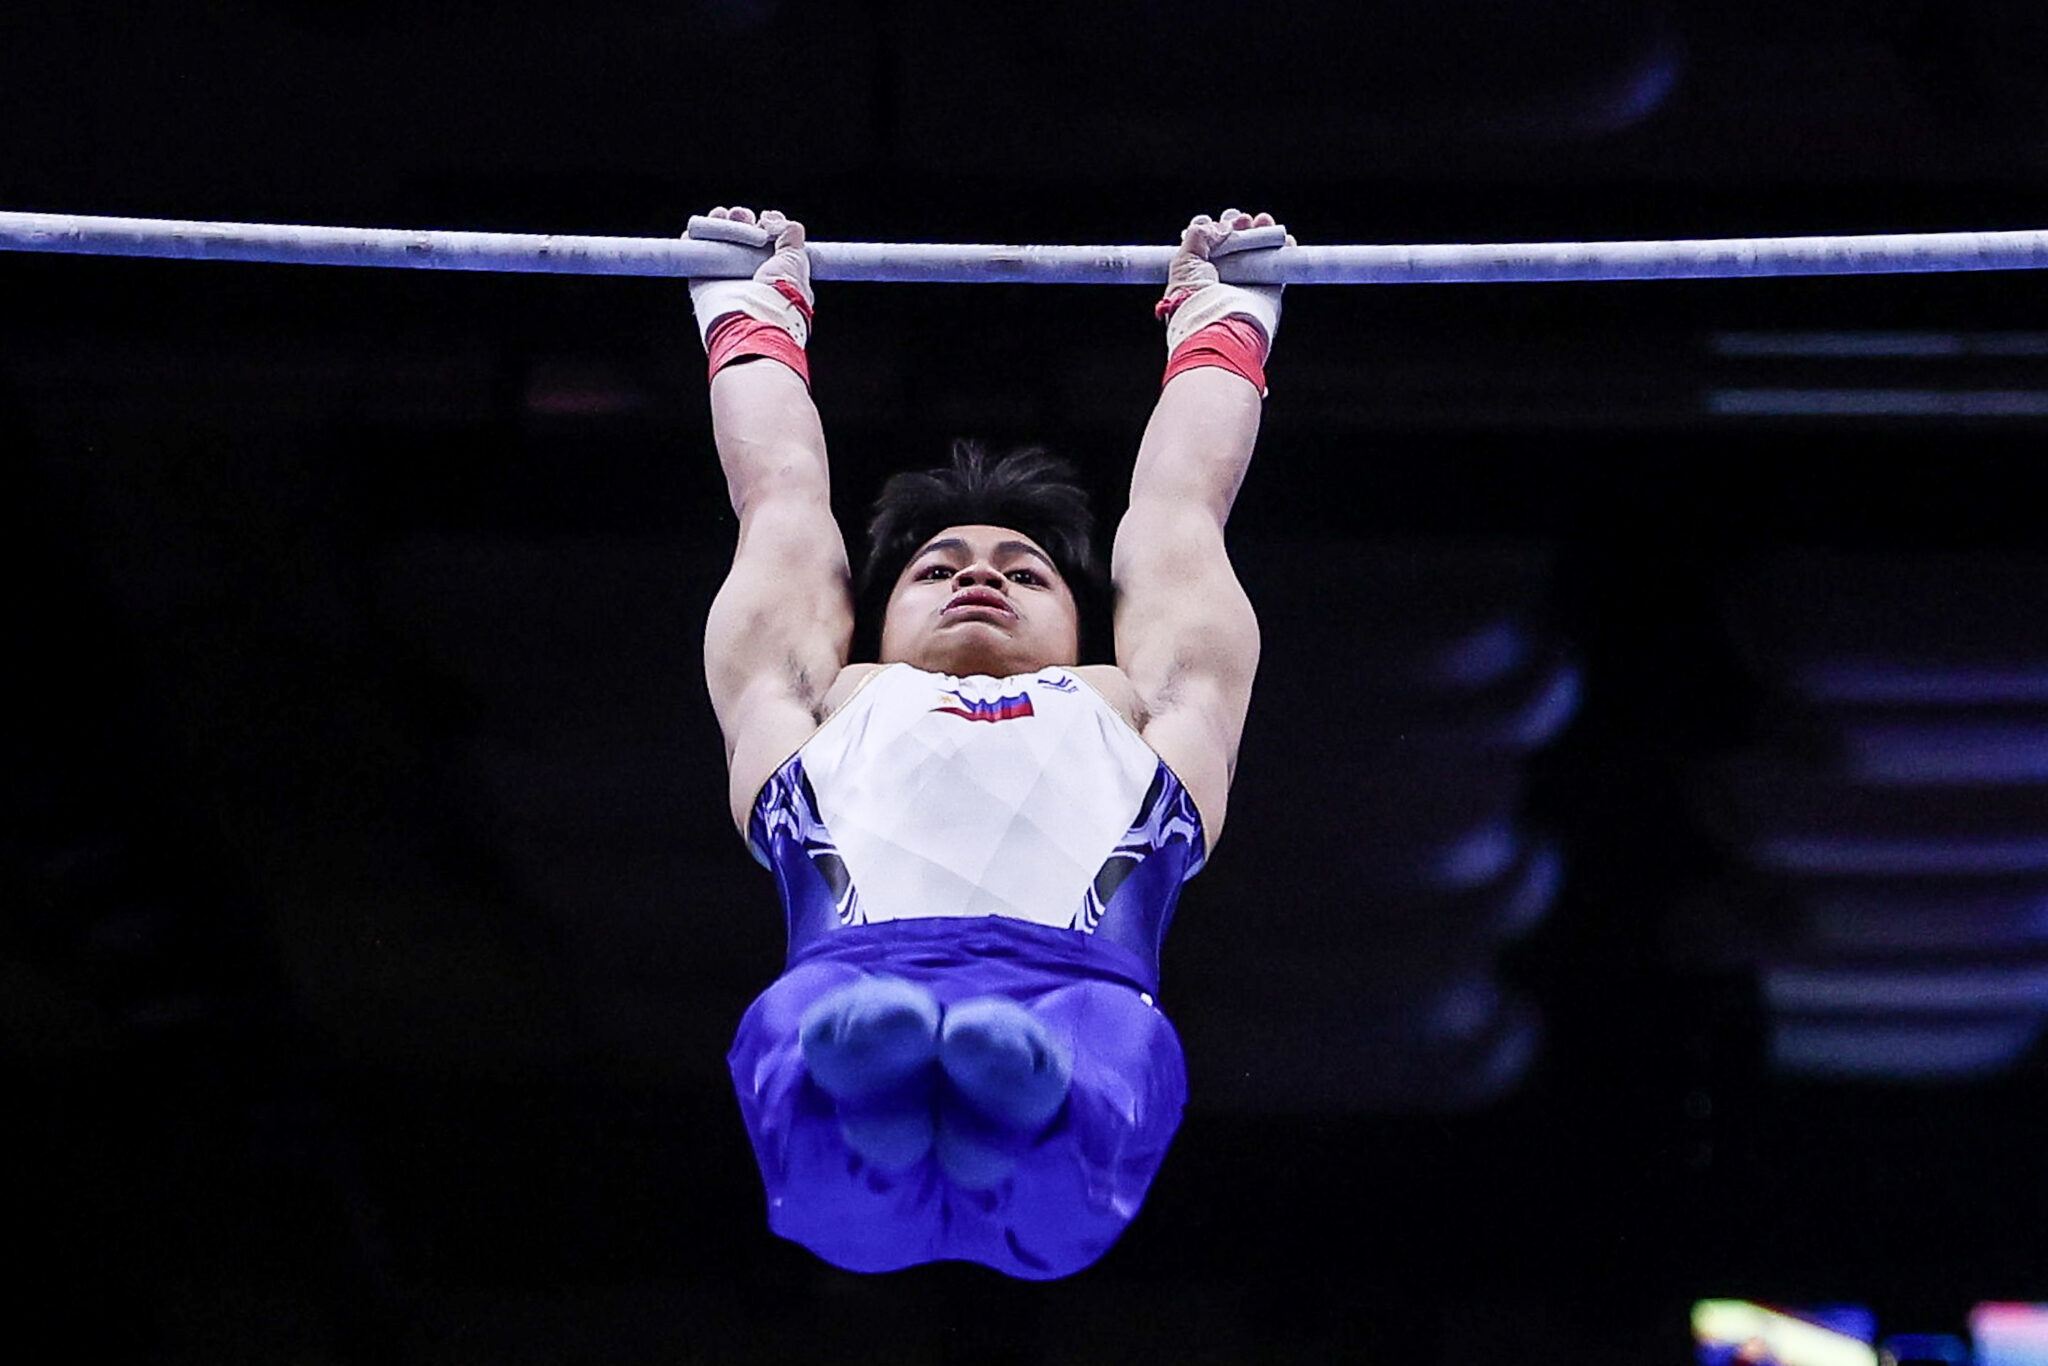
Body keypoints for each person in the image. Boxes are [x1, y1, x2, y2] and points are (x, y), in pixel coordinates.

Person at [693, 204, 1287, 1279]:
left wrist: (1219, 313)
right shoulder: (819, 698)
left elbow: (1182, 508)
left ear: (1084, 616)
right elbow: (775, 495)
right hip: (862, 981)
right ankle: (928, 1106)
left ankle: (942, 1104)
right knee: (830, 1021)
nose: (979, 573)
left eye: (1025, 570)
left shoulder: (1141, 705)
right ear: (864, 623)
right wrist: (749, 309)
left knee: (1054, 1050)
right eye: (937, 566)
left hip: (1075, 1006)